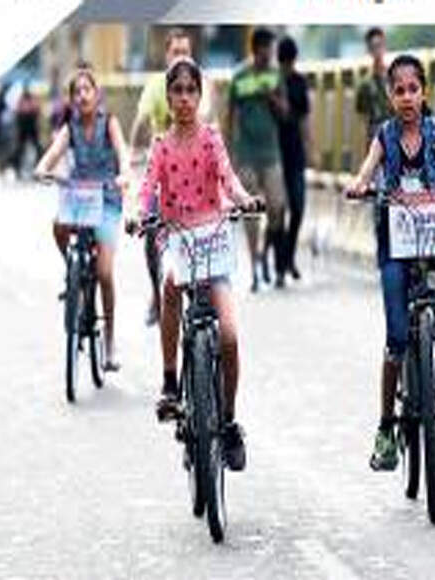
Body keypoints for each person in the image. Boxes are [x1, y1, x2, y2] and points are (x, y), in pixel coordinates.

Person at [345, 54, 435, 472]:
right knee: (396, 340)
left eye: (413, 89)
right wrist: (360, 184)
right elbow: (366, 171)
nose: (407, 97)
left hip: (432, 229)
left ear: (424, 93)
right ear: (390, 96)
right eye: (399, 90)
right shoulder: (384, 136)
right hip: (395, 239)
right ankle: (386, 427)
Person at [128, 57, 263, 471]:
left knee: (230, 336)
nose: (184, 98)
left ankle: (229, 421)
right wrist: (139, 214)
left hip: (214, 238)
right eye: (177, 91)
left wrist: (244, 200)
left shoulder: (211, 139)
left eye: (191, 90)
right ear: (168, 98)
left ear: (200, 96)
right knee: (169, 285)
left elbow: (228, 178)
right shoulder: (161, 146)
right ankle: (171, 380)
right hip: (178, 238)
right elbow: (148, 189)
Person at [34, 63, 131, 371]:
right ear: (72, 98)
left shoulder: (109, 122)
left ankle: (110, 343)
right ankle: (74, 271)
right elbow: (53, 154)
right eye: (76, 92)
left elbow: (123, 152)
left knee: (104, 273)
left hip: (107, 199)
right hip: (78, 198)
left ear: (96, 94)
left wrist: (125, 174)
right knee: (58, 226)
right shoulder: (70, 127)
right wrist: (42, 169)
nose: (82, 96)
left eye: (87, 90)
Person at [129, 27, 215, 325]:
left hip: (196, 175)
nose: (181, 56)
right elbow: (141, 121)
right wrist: (131, 154)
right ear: (166, 55)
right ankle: (157, 296)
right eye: (176, 51)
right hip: (163, 176)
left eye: (185, 52)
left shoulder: (200, 84)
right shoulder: (155, 87)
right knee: (151, 234)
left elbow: (209, 119)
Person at [227, 27, 289, 292]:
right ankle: (254, 268)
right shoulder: (239, 76)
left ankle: (264, 250)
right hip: (246, 155)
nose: (271, 54)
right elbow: (230, 116)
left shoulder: (275, 75)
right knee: (251, 212)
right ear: (256, 49)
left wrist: (271, 97)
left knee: (277, 207)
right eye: (268, 49)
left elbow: (285, 112)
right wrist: (229, 156)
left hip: (271, 153)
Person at [276, 36, 310, 284]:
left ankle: (288, 257)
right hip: (276, 154)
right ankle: (279, 263)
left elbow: (305, 116)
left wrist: (310, 146)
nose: (288, 66)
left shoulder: (300, 82)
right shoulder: (272, 82)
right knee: (278, 211)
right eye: (284, 62)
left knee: (298, 208)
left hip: (296, 152)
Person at [354, 27, 391, 158]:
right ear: (369, 50)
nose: (377, 51)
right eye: (373, 47)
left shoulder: (395, 78)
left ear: (385, 46)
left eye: (379, 45)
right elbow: (362, 120)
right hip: (375, 139)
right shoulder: (365, 84)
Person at [10, 83, 43, 179]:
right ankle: (16, 168)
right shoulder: (22, 101)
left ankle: (39, 168)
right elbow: (18, 112)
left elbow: (36, 111)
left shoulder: (30, 100)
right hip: (24, 128)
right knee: (20, 148)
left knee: (36, 147)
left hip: (30, 127)